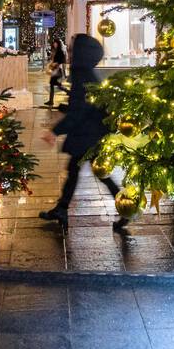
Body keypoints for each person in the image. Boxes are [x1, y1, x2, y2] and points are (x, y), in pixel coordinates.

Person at [38, 35, 127, 232]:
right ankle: (62, 208)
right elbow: (80, 105)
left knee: (93, 173)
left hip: (87, 135)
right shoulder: (85, 74)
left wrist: (55, 131)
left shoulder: (83, 76)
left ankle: (126, 207)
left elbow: (80, 110)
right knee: (77, 172)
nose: (69, 52)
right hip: (90, 133)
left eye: (72, 49)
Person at [45, 36, 67, 107]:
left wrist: (56, 63)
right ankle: (51, 101)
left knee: (59, 86)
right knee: (52, 85)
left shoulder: (60, 51)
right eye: (54, 43)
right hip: (54, 70)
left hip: (58, 71)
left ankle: (69, 92)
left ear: (58, 44)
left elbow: (63, 60)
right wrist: (51, 64)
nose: (55, 44)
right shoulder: (55, 51)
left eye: (56, 43)